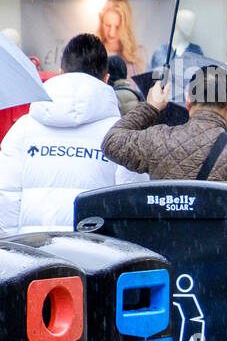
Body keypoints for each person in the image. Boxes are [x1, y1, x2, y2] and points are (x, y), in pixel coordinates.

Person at [0, 34, 147, 234]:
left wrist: (15, 254)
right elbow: (132, 207)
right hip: (100, 256)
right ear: (106, 78)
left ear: (60, 72)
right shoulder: (121, 136)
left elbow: (5, 198)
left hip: (35, 256)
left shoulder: (22, 130)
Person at [102, 64, 227, 182]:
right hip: (222, 238)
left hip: (169, 237)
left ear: (188, 101)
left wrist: (151, 107)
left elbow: (111, 142)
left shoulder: (158, 140)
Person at [96, 0, 144, 76]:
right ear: (101, 23)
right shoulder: (94, 53)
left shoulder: (137, 54)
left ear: (125, 27)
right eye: (108, 25)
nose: (111, 33)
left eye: (117, 27)